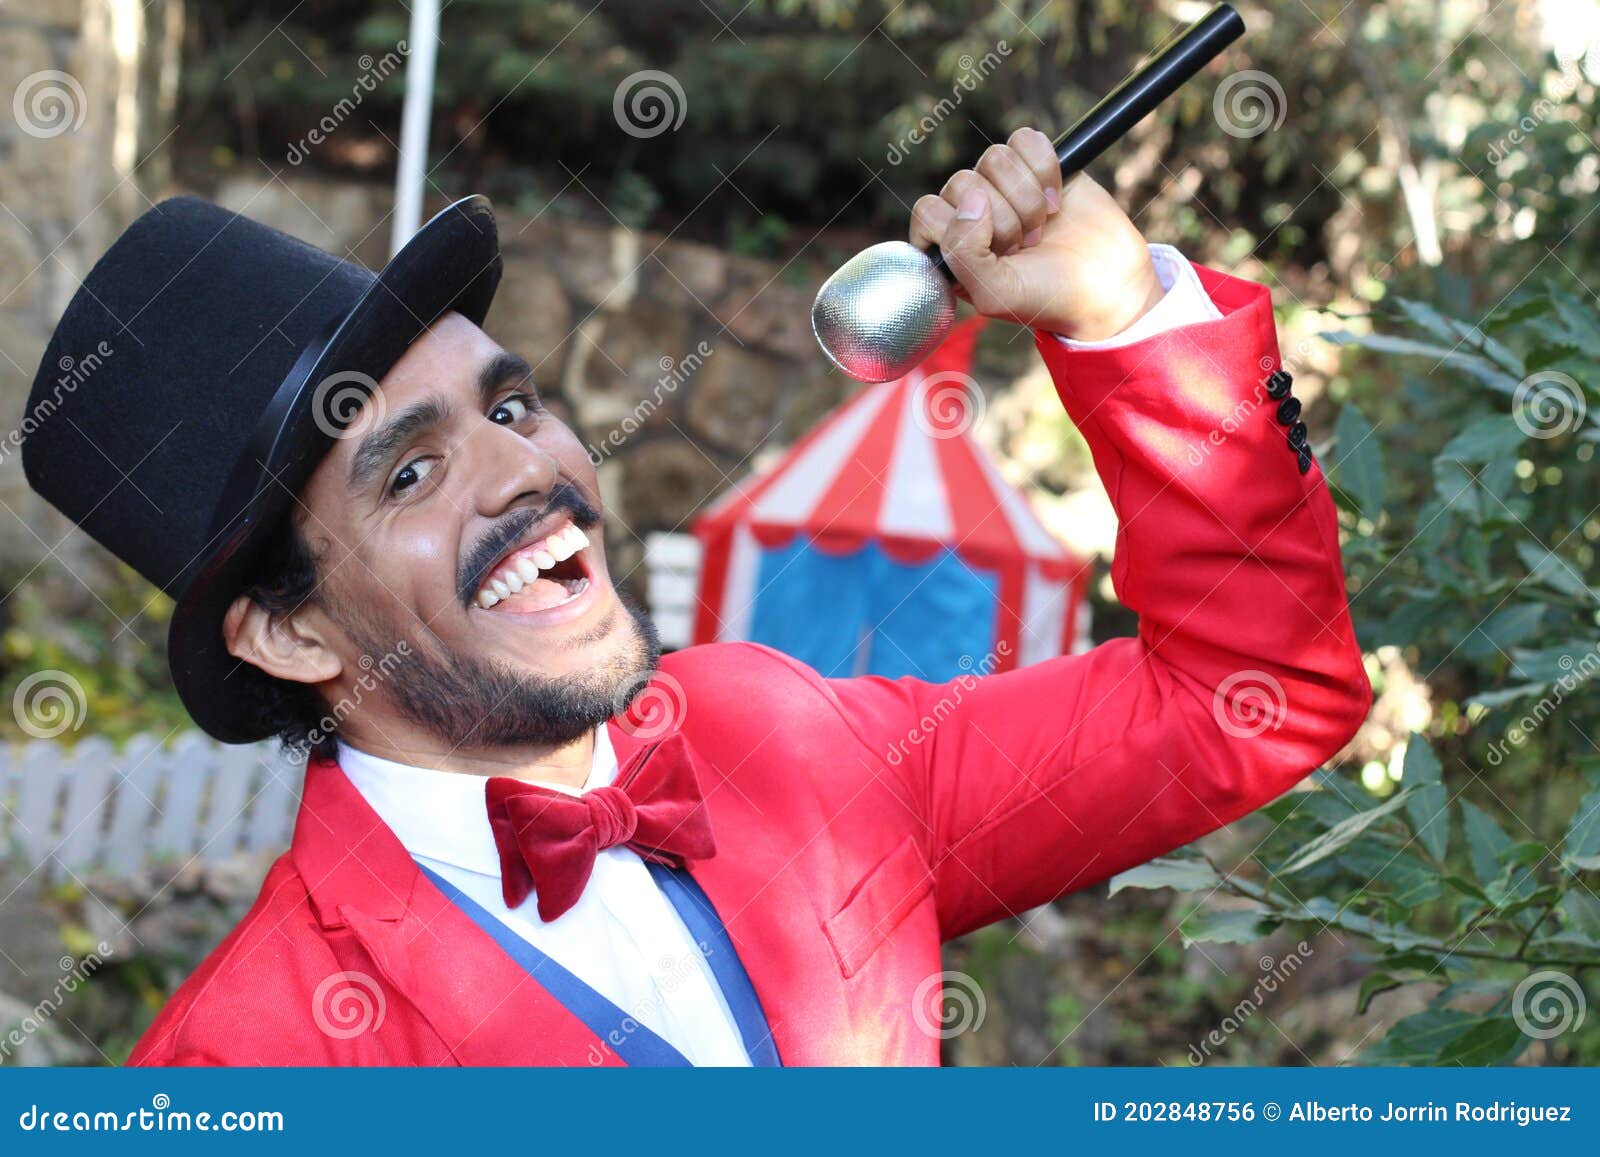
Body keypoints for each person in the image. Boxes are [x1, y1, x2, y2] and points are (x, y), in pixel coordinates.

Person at [22, 128, 1370, 1066]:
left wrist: (1124, 313)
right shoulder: (246, 1058)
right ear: (290, 626)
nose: (527, 472)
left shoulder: (790, 739)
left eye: (510, 402)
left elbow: (1245, 697)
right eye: (412, 468)